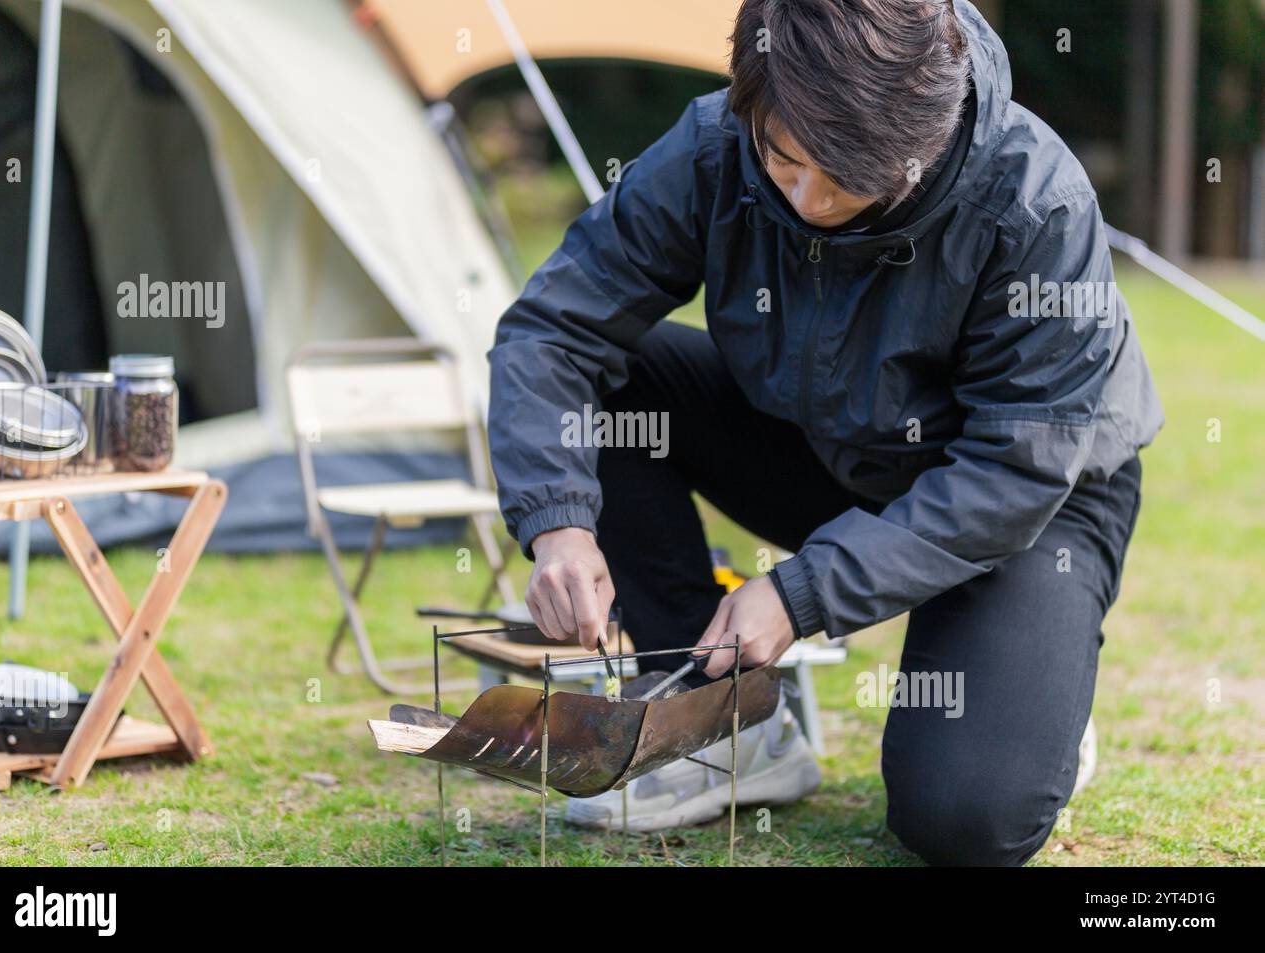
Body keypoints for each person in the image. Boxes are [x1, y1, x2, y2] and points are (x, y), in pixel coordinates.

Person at [487, 0, 1162, 865]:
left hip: (1031, 503)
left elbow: (1017, 471)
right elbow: (553, 330)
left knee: (965, 820)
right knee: (624, 378)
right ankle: (718, 722)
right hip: (827, 447)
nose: (804, 198)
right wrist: (558, 521)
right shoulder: (717, 146)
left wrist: (799, 593)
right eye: (783, 158)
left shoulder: (1036, 203)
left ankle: (1040, 703)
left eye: (842, 176)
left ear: (917, 135)